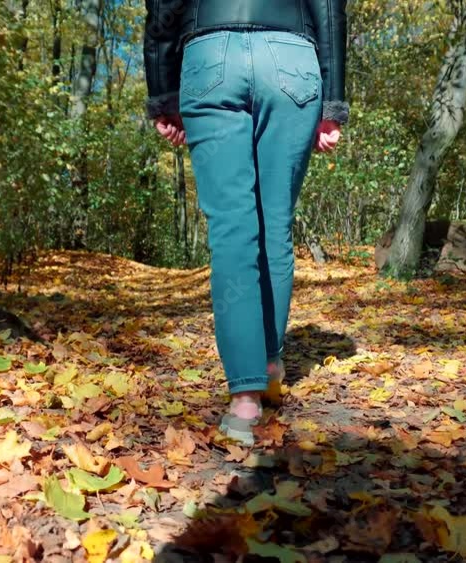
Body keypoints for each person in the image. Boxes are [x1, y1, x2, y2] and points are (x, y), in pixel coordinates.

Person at [143, 0, 348, 445]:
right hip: (291, 61)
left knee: (233, 230)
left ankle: (245, 401)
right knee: (275, 225)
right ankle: (270, 364)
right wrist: (332, 102)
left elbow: (162, 7)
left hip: (210, 57)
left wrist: (163, 93)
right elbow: (329, 7)